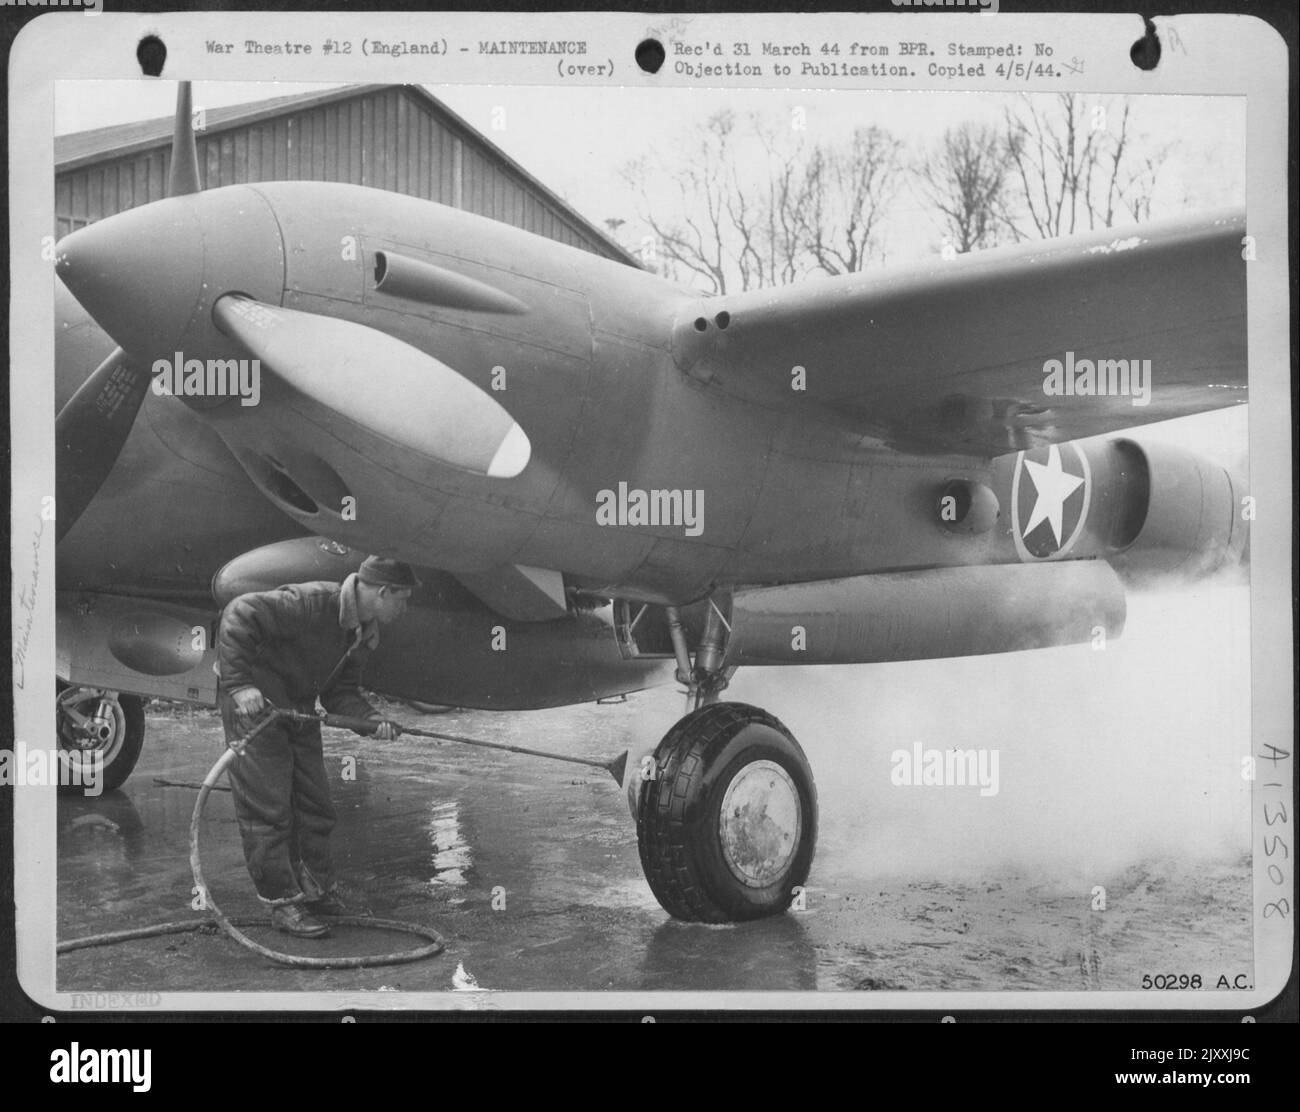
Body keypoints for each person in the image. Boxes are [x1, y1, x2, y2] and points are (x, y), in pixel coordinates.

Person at [216, 555, 418, 938]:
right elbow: (239, 613)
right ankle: (283, 904)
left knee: (314, 803)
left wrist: (372, 722)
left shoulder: (364, 632)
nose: (404, 609)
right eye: (402, 599)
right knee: (269, 807)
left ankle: (315, 890)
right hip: (255, 709)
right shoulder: (311, 603)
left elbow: (340, 693)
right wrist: (240, 684)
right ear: (383, 591)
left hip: (298, 709)